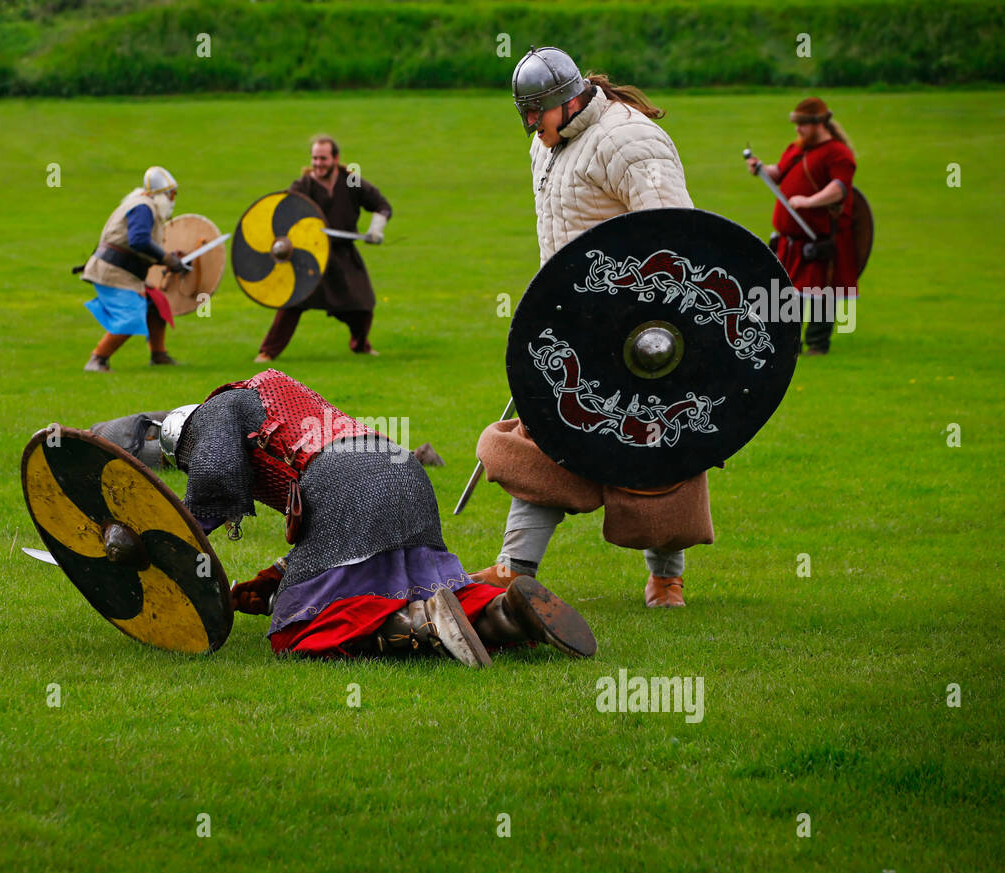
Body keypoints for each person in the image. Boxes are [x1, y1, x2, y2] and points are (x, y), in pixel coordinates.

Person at [102, 369, 597, 666]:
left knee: (302, 628)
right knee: (411, 577)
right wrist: (274, 578)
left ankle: (421, 626)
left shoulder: (215, 412)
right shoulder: (269, 390)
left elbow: (216, 474)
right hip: (403, 474)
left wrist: (170, 533)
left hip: (350, 486)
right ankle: (503, 613)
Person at [470, 45, 714, 609]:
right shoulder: (546, 144)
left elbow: (675, 240)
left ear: (568, 99)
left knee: (660, 448)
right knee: (548, 436)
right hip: (571, 327)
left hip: (643, 334)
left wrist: (653, 330)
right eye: (525, 115)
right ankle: (514, 567)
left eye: (537, 113)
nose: (531, 126)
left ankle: (666, 578)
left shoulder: (631, 141)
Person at [254, 137, 391, 362]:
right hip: (309, 255)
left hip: (343, 254)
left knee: (363, 304)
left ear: (335, 159)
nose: (318, 163)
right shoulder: (302, 186)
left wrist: (377, 227)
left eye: (323, 158)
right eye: (315, 158)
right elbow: (282, 214)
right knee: (293, 304)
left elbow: (381, 205)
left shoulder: (351, 181)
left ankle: (360, 345)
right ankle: (267, 351)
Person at [745, 97, 858, 356]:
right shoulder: (796, 148)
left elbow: (840, 187)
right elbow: (779, 172)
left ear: (819, 124)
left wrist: (809, 201)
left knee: (820, 294)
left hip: (818, 239)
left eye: (803, 125)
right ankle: (788, 343)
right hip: (789, 238)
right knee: (785, 293)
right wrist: (762, 169)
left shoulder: (838, 153)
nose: (798, 130)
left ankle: (817, 345)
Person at [79, 166, 190, 371]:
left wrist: (170, 260)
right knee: (130, 318)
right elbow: (138, 241)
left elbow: (140, 246)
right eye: (172, 194)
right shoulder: (144, 207)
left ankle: (158, 355)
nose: (173, 199)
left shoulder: (142, 204)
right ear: (163, 194)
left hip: (125, 270)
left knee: (157, 305)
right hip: (114, 270)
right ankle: (97, 359)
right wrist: (167, 259)